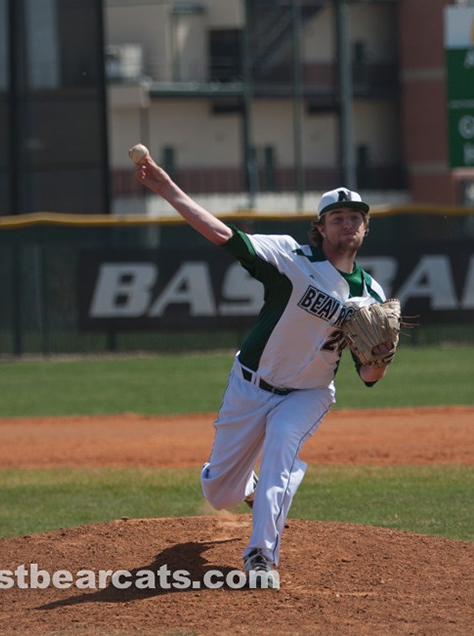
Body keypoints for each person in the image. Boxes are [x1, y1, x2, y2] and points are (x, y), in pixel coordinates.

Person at [135, 153, 395, 589]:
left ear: (366, 229)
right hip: (251, 385)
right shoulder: (290, 258)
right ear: (321, 227)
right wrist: (166, 189)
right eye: (337, 217)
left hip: (308, 393)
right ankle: (250, 486)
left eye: (355, 217)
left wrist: (380, 359)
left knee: (280, 444)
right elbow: (224, 235)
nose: (347, 224)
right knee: (219, 493)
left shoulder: (372, 296)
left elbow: (368, 378)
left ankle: (260, 555)